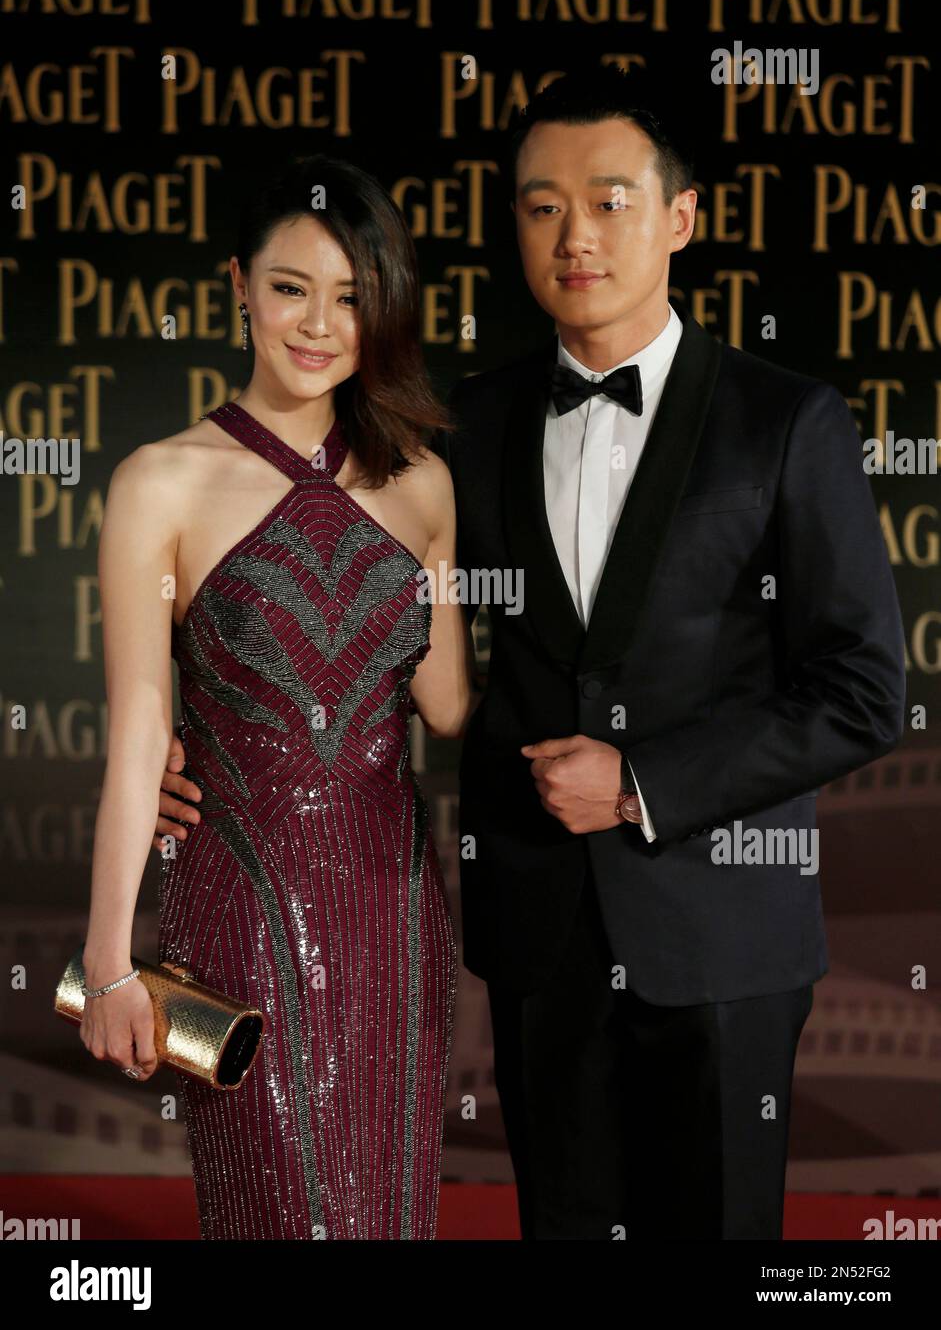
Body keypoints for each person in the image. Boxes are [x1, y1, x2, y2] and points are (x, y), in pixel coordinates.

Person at [157, 67, 906, 1240]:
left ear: (680, 218)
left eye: (609, 200)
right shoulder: (469, 423)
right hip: (541, 932)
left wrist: (642, 783)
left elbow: (863, 692)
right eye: (541, 205)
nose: (575, 235)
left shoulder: (785, 420)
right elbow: (342, 614)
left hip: (720, 934)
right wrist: (189, 753)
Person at [80, 153, 477, 1240]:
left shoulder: (423, 484)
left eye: (352, 296)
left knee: (388, 1214)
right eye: (292, 287)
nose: (319, 323)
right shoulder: (159, 481)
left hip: (394, 911)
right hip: (238, 906)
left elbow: (448, 707)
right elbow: (136, 735)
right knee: (281, 1210)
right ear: (238, 287)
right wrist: (109, 959)